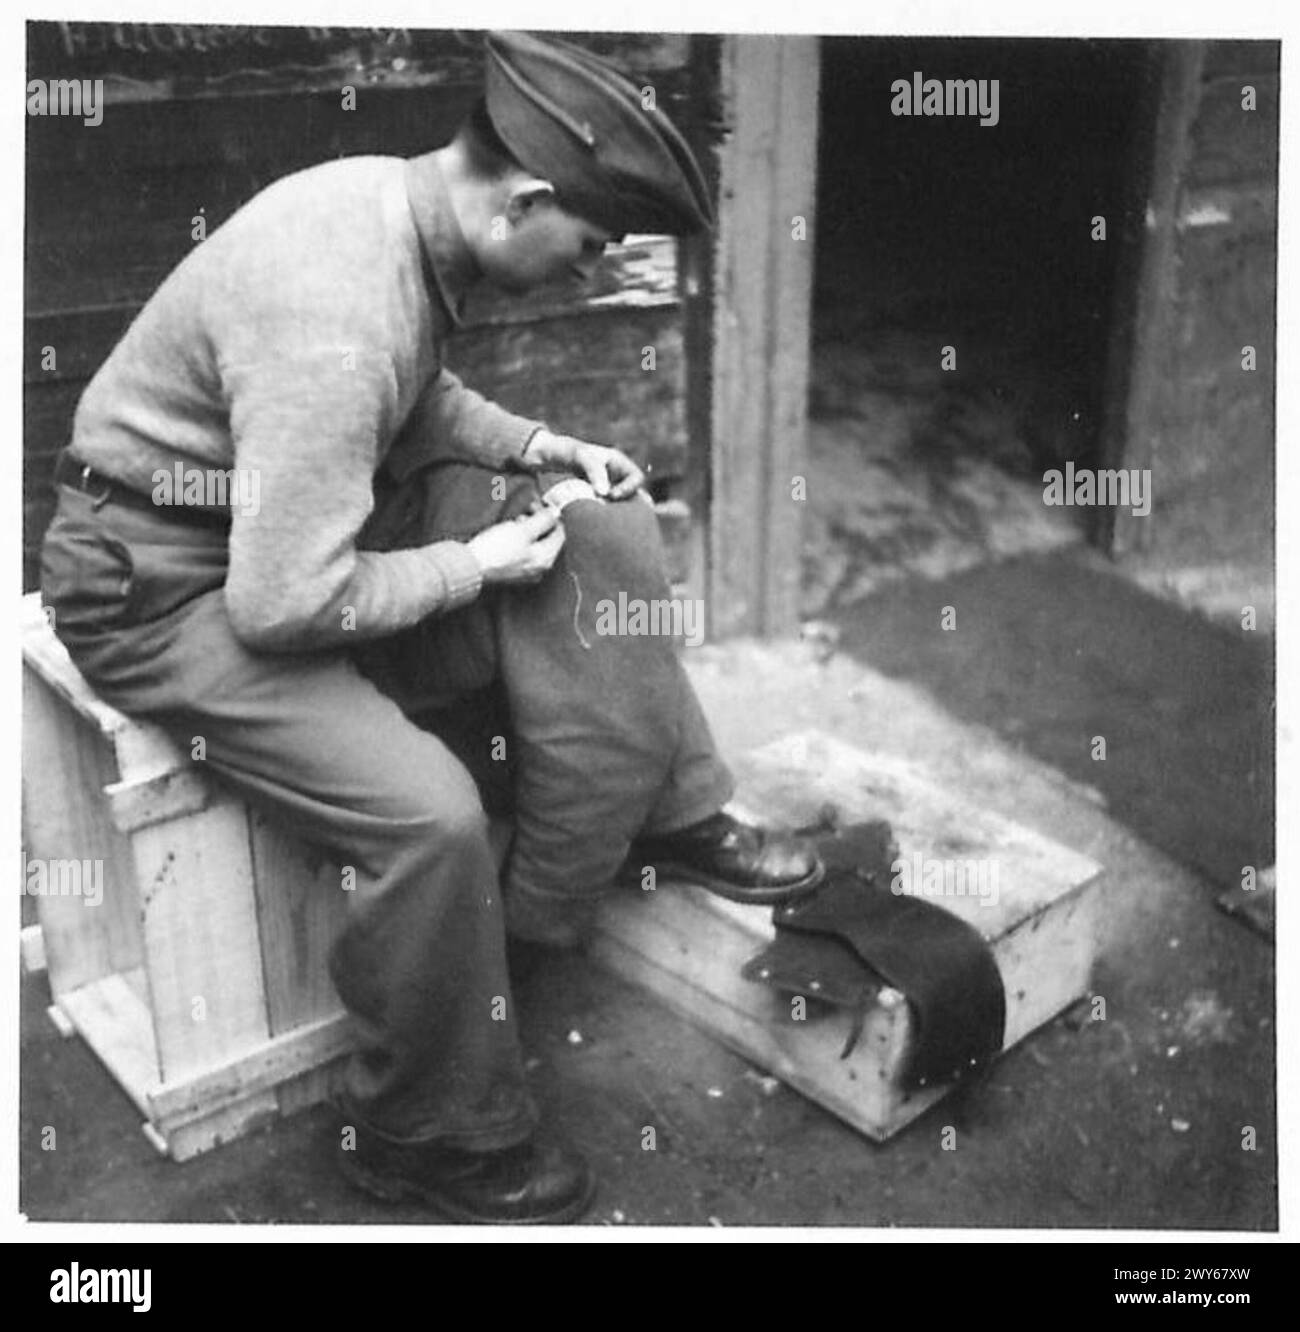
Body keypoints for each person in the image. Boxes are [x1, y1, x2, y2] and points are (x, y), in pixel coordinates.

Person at [39, 30, 822, 1225]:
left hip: (273, 520)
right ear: (526, 199)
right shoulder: (338, 309)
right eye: (595, 243)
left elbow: (414, 391)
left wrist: (538, 453)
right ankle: (424, 1138)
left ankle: (667, 813)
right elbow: (283, 602)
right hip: (161, 586)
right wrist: (469, 566)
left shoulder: (394, 210)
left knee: (603, 531)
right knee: (428, 817)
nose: (588, 269)